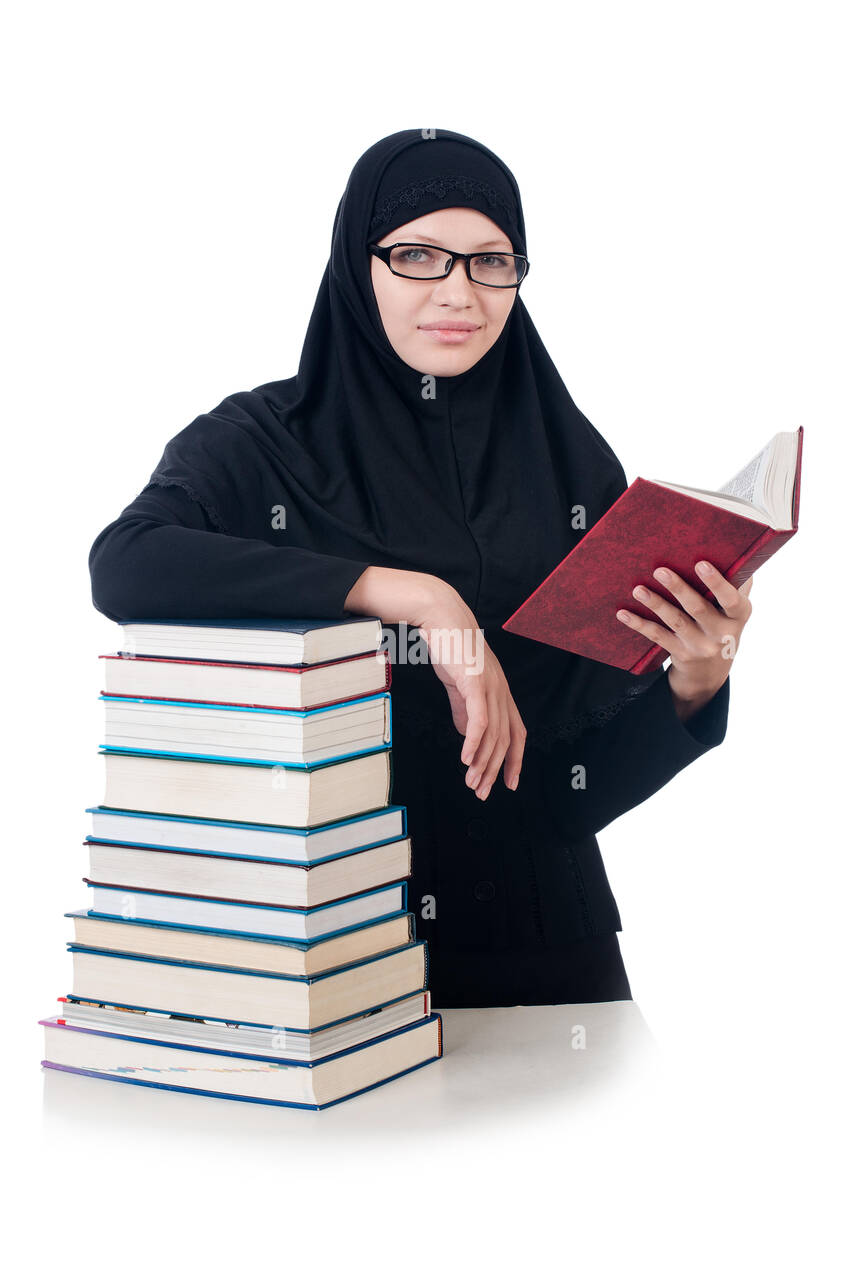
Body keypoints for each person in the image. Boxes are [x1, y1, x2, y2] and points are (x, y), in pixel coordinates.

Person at [88, 128, 753, 1008]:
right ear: (356, 266)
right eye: (417, 256)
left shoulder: (566, 466)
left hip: (541, 953)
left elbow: (563, 791)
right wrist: (416, 599)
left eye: (491, 262)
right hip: (312, 946)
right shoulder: (258, 446)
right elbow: (124, 565)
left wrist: (694, 679)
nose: (460, 293)